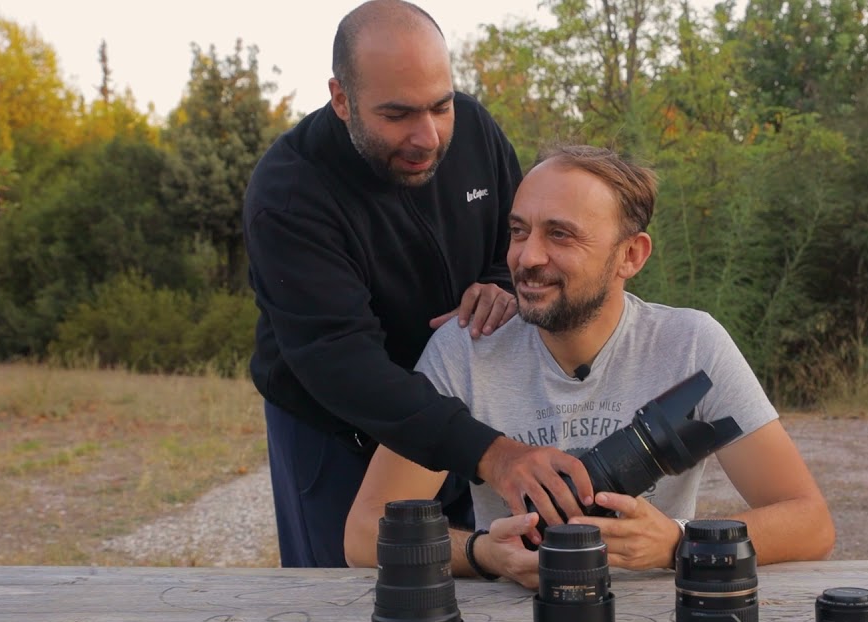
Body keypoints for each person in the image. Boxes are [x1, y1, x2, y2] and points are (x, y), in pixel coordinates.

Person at [345, 145, 835, 587]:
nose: (527, 257)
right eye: (518, 231)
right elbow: (364, 536)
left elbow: (810, 523)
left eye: (560, 235)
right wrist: (484, 554)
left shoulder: (690, 345)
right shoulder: (467, 349)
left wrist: (677, 542)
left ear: (630, 255)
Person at [242, 0, 592, 569]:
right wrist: (494, 455)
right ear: (341, 99)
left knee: (477, 575)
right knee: (344, 594)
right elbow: (339, 360)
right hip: (340, 424)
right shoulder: (289, 194)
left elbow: (515, 238)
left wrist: (497, 282)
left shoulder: (473, 129)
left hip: (462, 411)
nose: (427, 137)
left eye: (440, 106)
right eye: (397, 114)